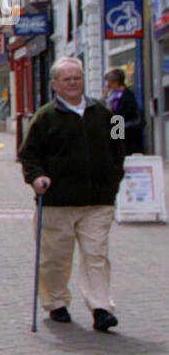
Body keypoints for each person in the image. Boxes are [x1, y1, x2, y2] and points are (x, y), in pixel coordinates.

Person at [18, 58, 126, 332]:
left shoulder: (106, 114)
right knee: (55, 258)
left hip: (97, 201)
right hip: (57, 201)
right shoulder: (44, 117)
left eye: (77, 77)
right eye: (67, 79)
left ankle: (101, 307)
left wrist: (114, 178)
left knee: (96, 256)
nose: (73, 83)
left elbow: (119, 144)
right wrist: (36, 177)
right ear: (54, 84)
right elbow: (28, 154)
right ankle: (56, 303)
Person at [105, 68, 144, 156]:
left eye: (109, 82)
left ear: (115, 82)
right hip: (117, 130)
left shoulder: (127, 95)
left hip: (127, 133)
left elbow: (126, 112)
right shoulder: (112, 95)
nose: (108, 85)